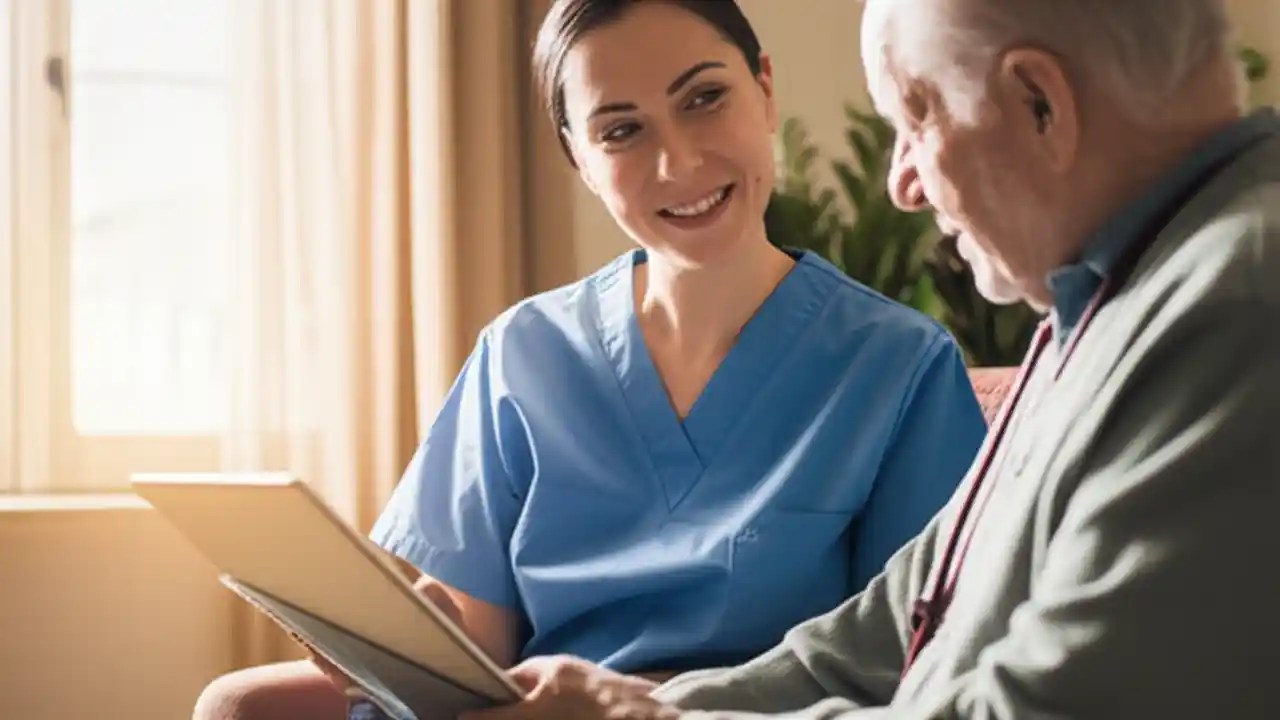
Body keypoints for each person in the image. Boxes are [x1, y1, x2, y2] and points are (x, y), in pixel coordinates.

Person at [454, 0, 1280, 718]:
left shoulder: (1241, 309)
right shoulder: (1107, 308)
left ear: (1040, 103)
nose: (903, 184)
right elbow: (888, 628)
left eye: (916, 119)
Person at [192, 2, 988, 719]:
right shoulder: (524, 355)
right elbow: (477, 652)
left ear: (765, 89)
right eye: (621, 130)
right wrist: (397, 645)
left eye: (704, 99)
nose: (677, 163)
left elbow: (912, 668)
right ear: (578, 156)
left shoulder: (898, 368)